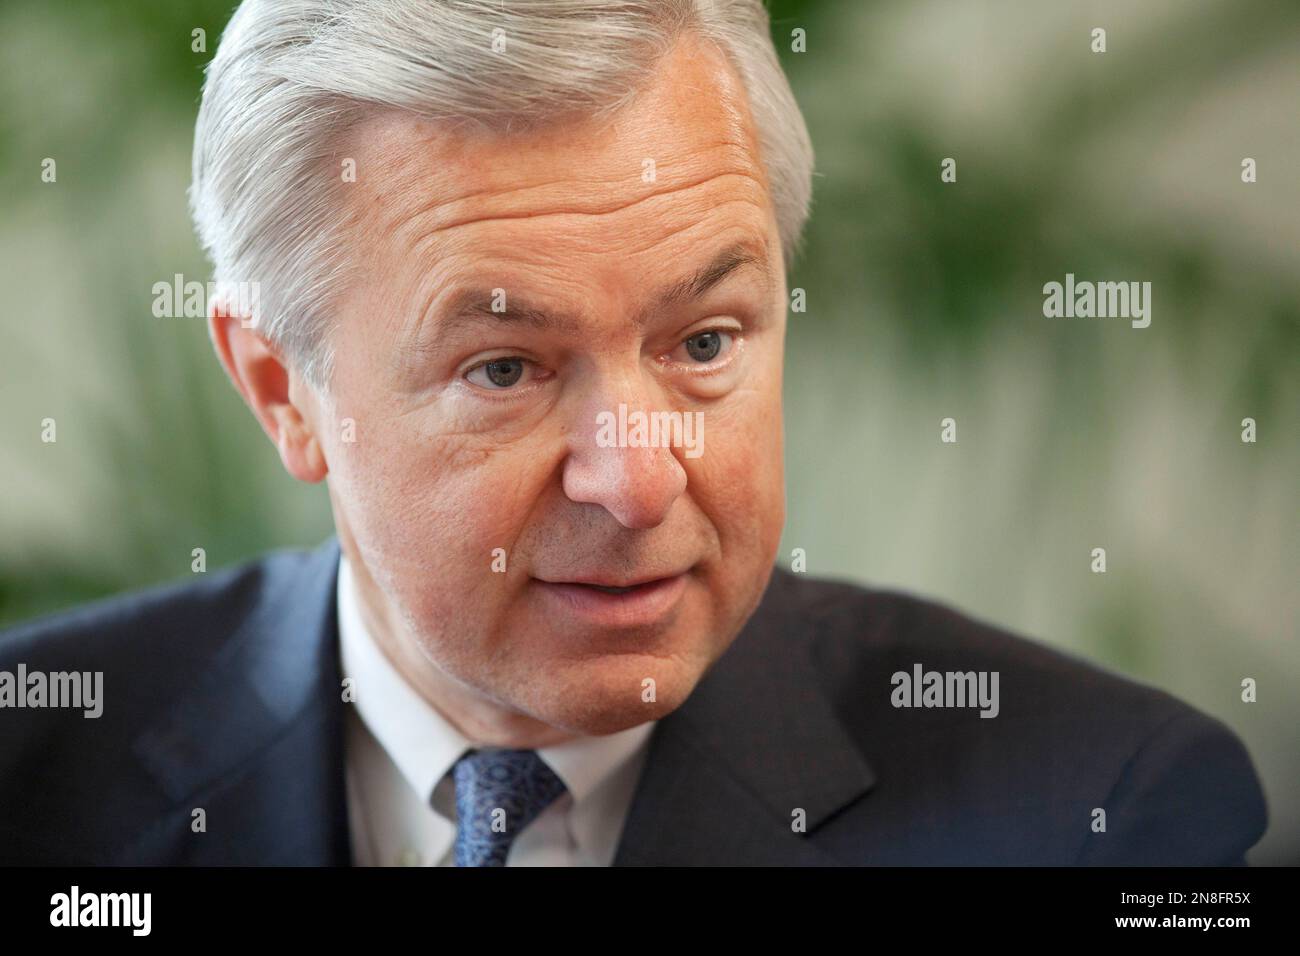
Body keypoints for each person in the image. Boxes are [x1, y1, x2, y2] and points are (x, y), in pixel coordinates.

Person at [0, 0, 1267, 865]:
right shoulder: (33, 773)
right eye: (505, 366)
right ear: (283, 390)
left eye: (704, 341)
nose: (638, 478)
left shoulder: (1100, 806)